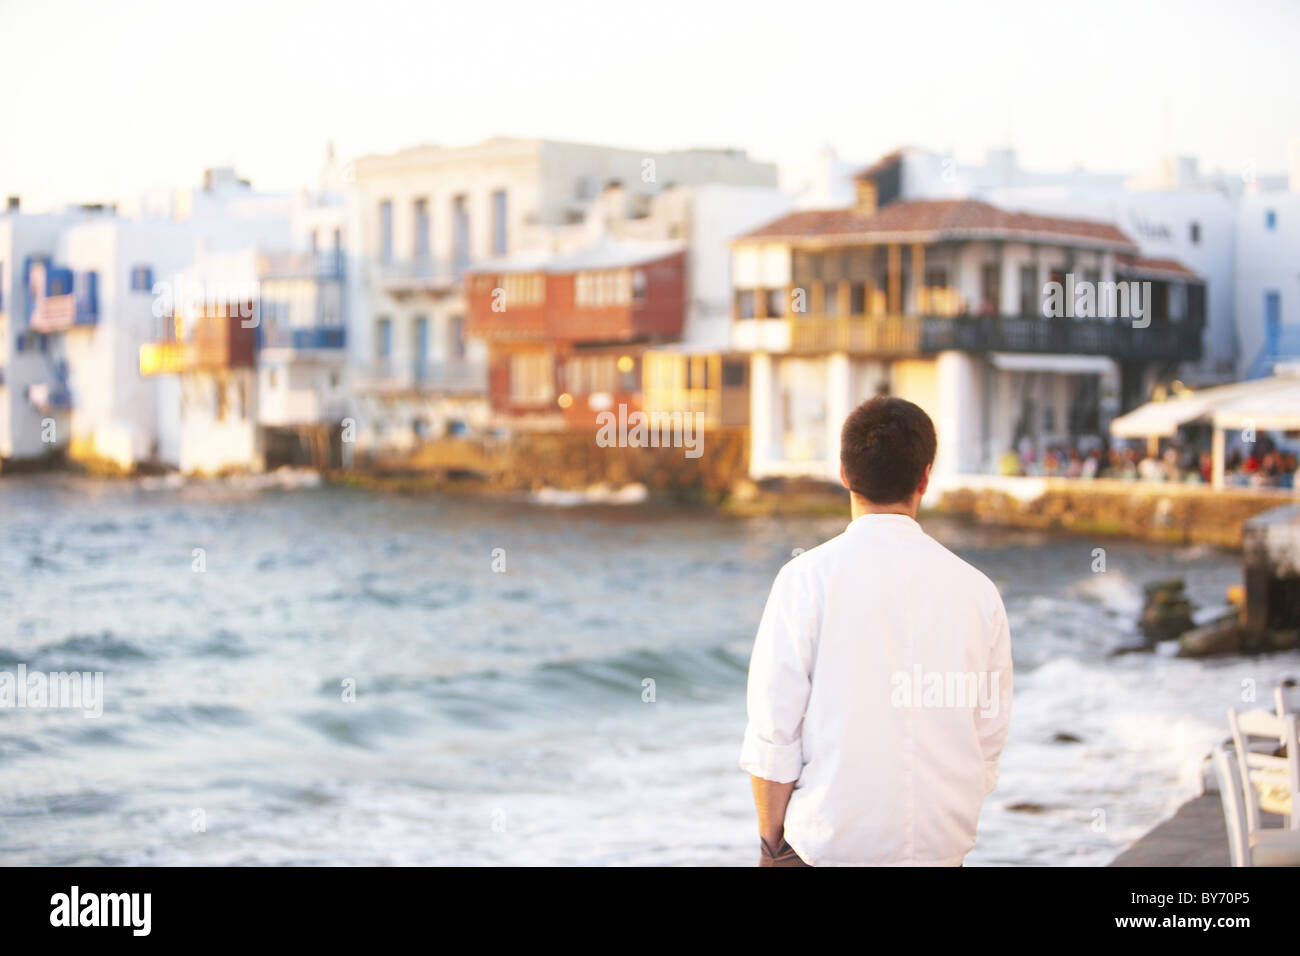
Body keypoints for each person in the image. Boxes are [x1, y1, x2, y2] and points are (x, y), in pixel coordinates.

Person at [740, 396, 1013, 866]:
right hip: (940, 851)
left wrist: (771, 846)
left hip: (828, 850)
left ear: (844, 474)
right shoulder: (979, 592)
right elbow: (988, 738)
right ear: (924, 478)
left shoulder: (804, 579)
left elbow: (774, 729)